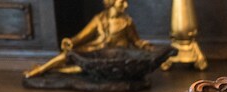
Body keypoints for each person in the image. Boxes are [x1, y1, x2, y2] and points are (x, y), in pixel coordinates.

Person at [24, 0, 152, 78]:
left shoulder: (127, 22)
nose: (126, 5)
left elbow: (136, 41)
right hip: (96, 50)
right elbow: (82, 36)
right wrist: (71, 41)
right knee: (69, 55)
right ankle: (42, 69)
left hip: (113, 58)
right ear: (112, 3)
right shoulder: (100, 19)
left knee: (85, 69)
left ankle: (55, 71)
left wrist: (145, 46)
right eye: (122, 2)